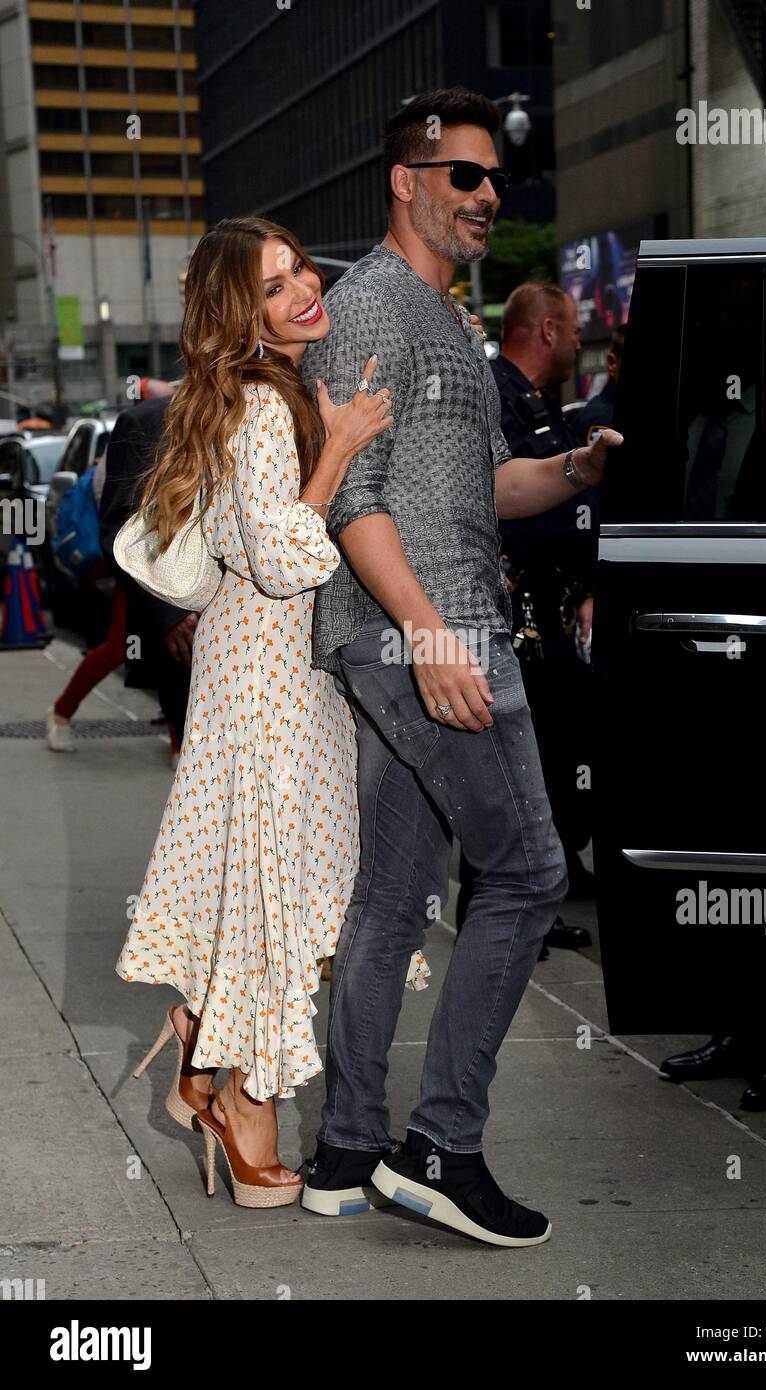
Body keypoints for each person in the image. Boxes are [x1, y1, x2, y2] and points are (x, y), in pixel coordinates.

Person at [299, 87, 621, 1246]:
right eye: (464, 177)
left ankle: (347, 1149)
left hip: (426, 624)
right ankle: (441, 1145)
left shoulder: (448, 320)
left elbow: (480, 486)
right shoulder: (365, 307)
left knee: (395, 893)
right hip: (426, 632)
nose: (487, 195)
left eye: (495, 178)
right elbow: (354, 501)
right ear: (407, 182)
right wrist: (432, 637)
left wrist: (575, 470)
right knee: (528, 870)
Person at [117, 216, 428, 1209]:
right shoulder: (257, 403)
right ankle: (240, 1098)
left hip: (281, 676)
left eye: (299, 270)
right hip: (266, 684)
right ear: (239, 315)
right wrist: (337, 449)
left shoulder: (269, 388)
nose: (302, 292)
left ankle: (205, 1051)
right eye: (272, 287)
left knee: (278, 884)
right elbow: (286, 556)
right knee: (275, 889)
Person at [482, 282, 599, 952]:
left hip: (551, 603)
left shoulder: (539, 401)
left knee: (555, 750)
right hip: (518, 608)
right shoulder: (497, 397)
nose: (581, 340)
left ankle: (551, 876)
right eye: (574, 328)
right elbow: (509, 502)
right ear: (547, 330)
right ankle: (511, 904)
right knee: (525, 756)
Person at [98, 392, 196, 767]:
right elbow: (120, 532)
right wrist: (168, 613)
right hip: (188, 632)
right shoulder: (147, 422)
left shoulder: (281, 405)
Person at [46, 457, 126, 750]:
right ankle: (62, 711)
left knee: (176, 653)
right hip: (136, 564)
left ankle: (180, 743)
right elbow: (111, 509)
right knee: (119, 648)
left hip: (170, 560)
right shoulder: (128, 440)